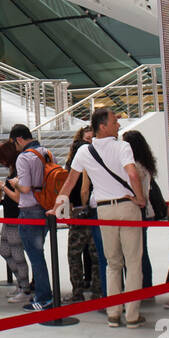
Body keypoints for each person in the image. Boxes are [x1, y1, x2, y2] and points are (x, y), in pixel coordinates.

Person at [53, 109, 148, 326]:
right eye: (115, 121)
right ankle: (132, 315)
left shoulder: (84, 151)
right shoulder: (122, 146)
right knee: (133, 263)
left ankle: (113, 313)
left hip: (104, 210)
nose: (118, 125)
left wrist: (55, 206)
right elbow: (132, 174)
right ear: (102, 126)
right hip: (127, 206)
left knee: (112, 263)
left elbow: (70, 182)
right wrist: (140, 198)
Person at [9, 124, 57, 311]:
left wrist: (15, 183)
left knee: (36, 257)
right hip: (46, 206)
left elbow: (26, 188)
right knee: (39, 255)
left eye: (14, 143)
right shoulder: (46, 152)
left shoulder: (24, 157)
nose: (15, 147)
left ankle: (44, 297)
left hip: (30, 210)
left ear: (19, 139)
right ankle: (44, 294)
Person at [0, 140, 31, 302]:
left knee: (17, 253)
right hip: (9, 218)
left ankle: (24, 288)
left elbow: (18, 197)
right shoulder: (13, 170)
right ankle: (21, 284)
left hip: (16, 218)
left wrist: (2, 187)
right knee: (5, 251)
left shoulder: (16, 172)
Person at [64, 128, 100, 302]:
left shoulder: (71, 163)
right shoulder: (92, 159)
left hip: (80, 211)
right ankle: (97, 290)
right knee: (95, 254)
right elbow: (85, 189)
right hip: (92, 210)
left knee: (74, 254)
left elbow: (80, 189)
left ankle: (77, 291)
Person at [124, 130, 161, 292]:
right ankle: (146, 286)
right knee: (141, 251)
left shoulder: (135, 167)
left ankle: (141, 287)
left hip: (138, 211)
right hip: (146, 212)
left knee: (134, 253)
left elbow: (135, 189)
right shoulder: (145, 164)